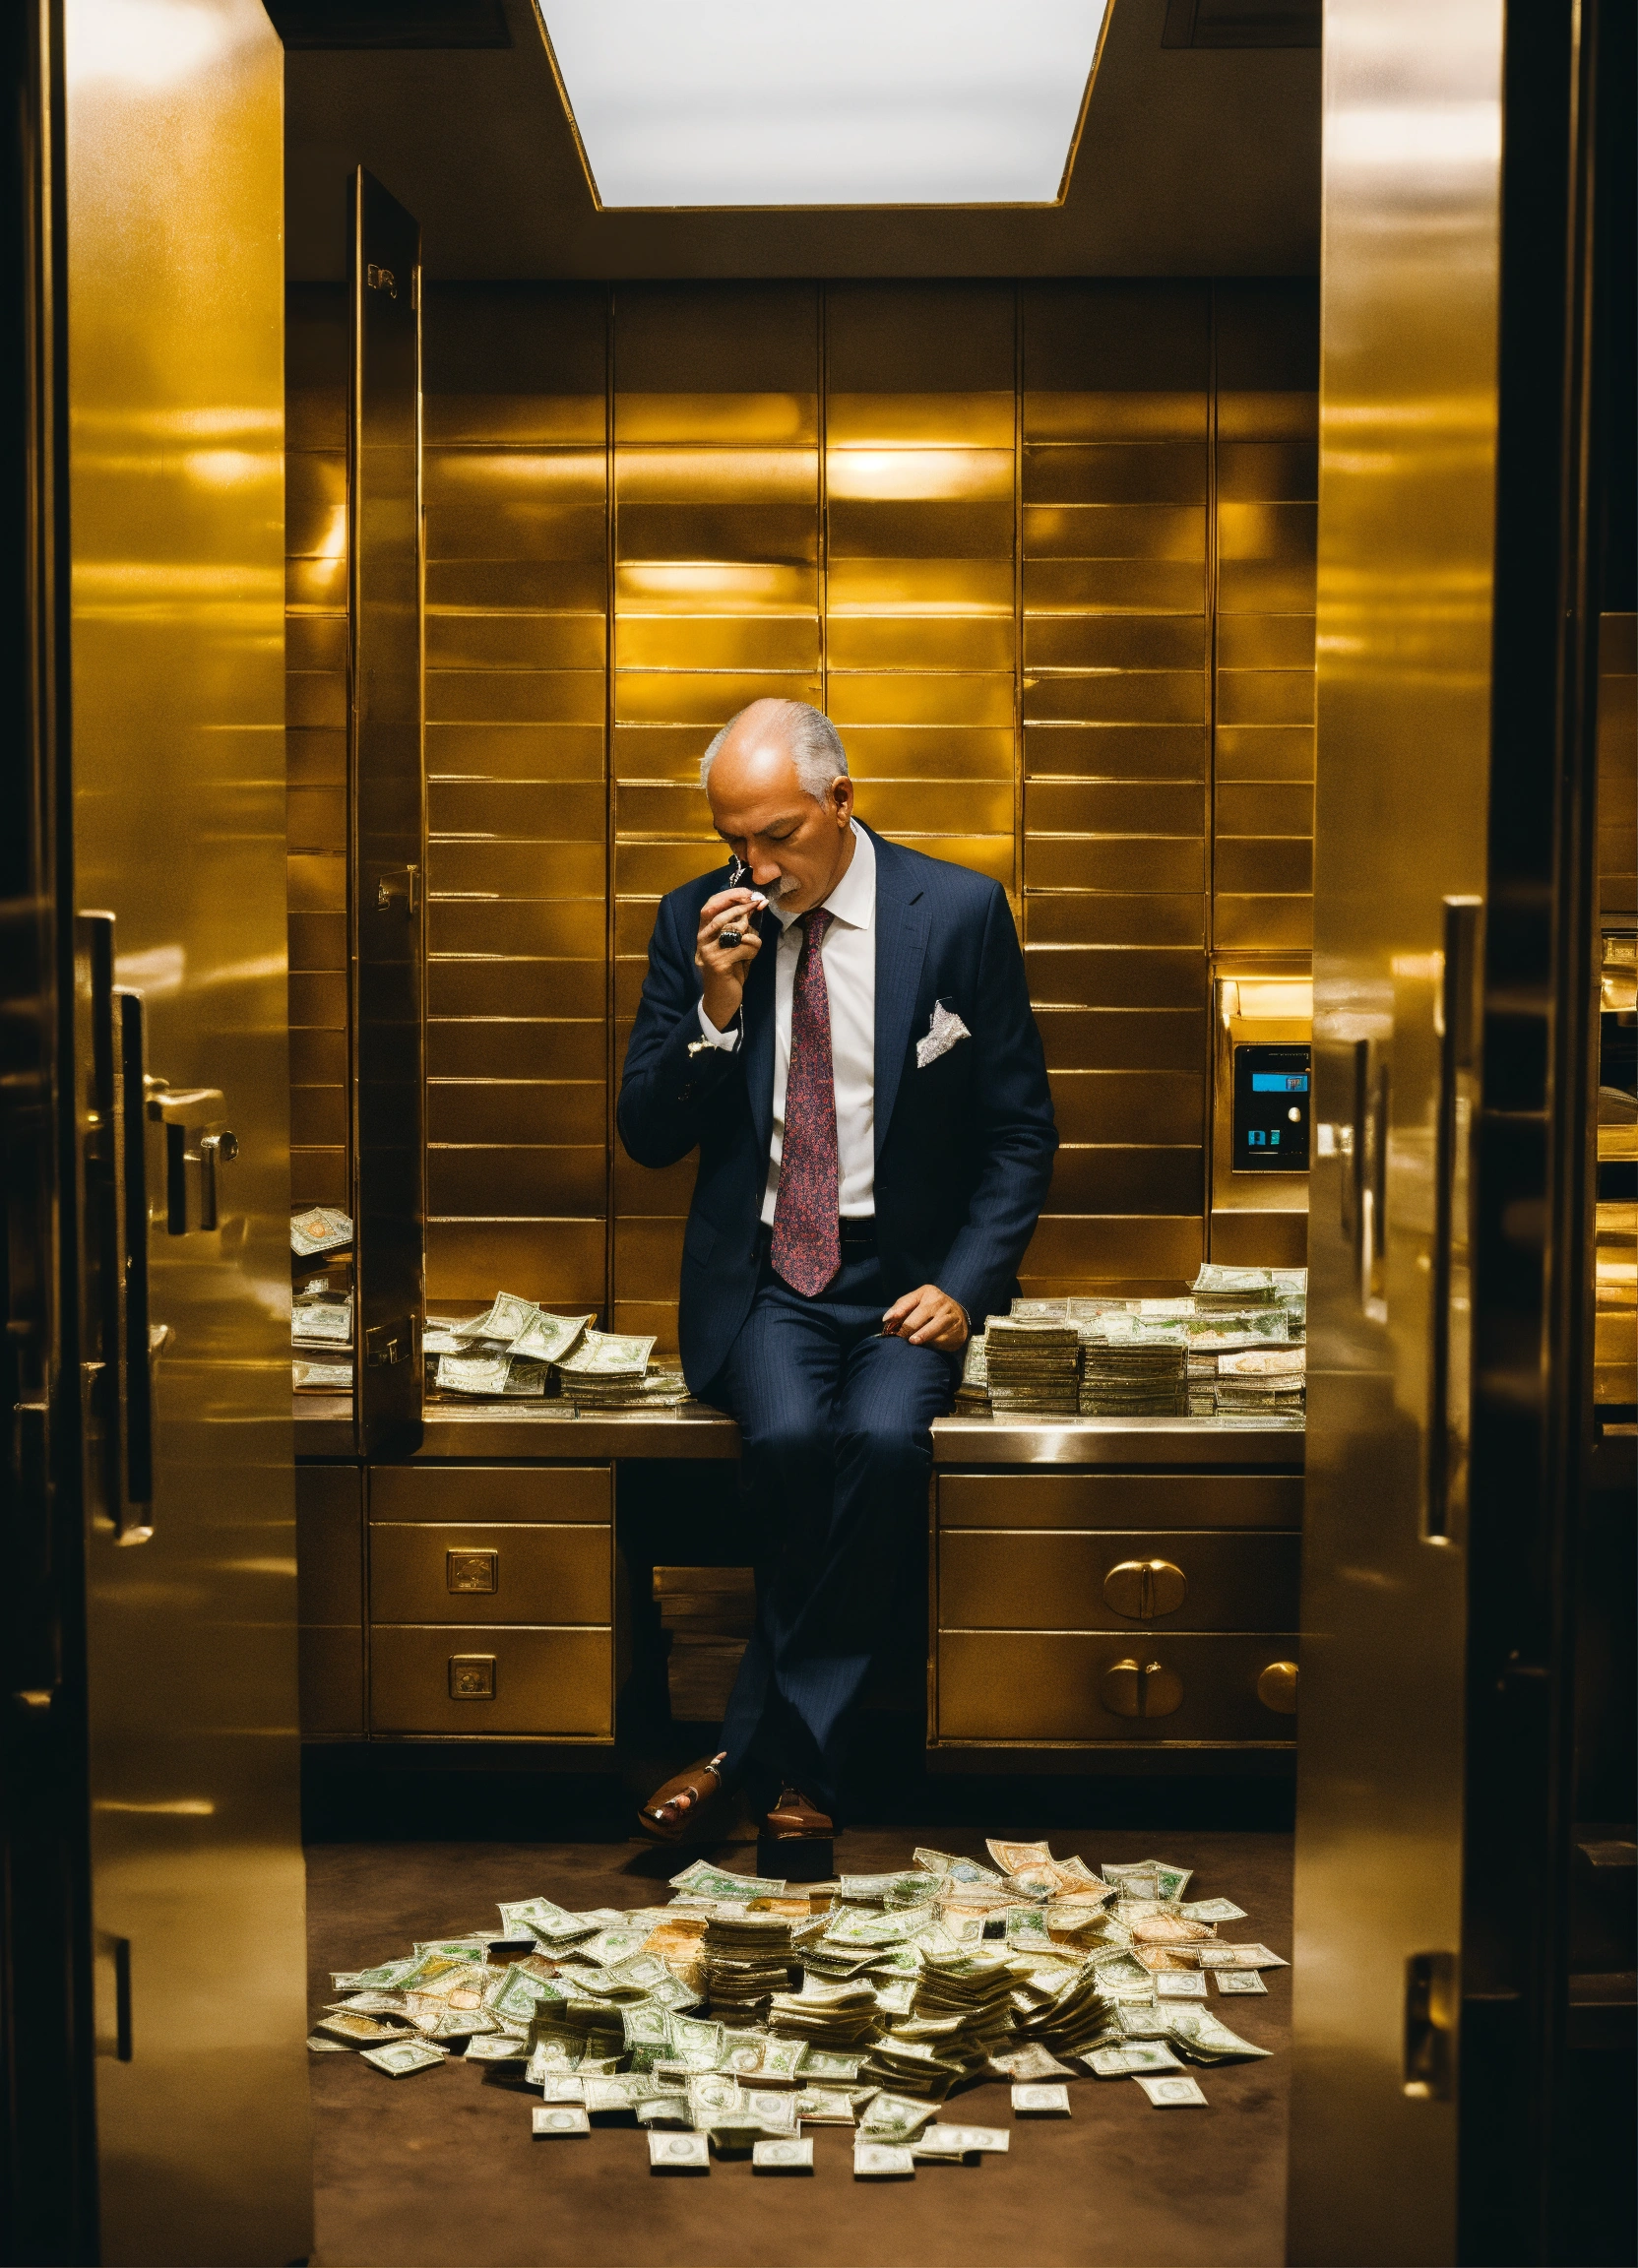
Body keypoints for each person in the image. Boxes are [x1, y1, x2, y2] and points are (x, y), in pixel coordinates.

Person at [617, 698, 1056, 1844]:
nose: (754, 867)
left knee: (879, 1443)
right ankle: (802, 1774)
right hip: (766, 1276)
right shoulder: (693, 923)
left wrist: (963, 1283)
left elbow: (1020, 1130)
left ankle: (753, 1756)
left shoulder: (955, 912)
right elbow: (646, 1136)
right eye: (732, 841)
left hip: (904, 1276)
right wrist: (712, 1009)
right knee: (790, 1443)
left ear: (839, 801)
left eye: (776, 837)